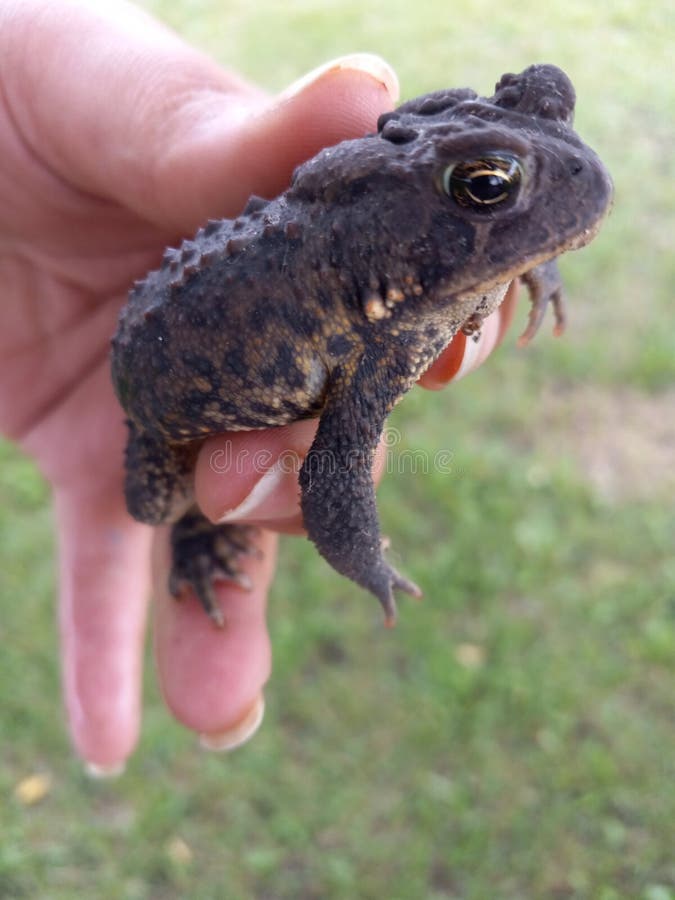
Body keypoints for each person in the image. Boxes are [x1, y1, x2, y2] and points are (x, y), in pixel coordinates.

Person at [0, 0, 516, 774]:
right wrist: (367, 559)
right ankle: (199, 533)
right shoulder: (373, 331)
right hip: (159, 391)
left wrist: (516, 250)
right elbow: (335, 480)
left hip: (221, 304)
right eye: (488, 186)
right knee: (154, 504)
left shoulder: (396, 291)